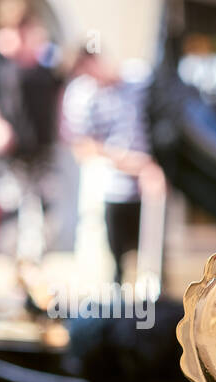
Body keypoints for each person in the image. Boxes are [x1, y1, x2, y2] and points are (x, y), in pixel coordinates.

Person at [0, 0, 64, 264]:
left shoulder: (46, 55)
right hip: (6, 155)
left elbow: (61, 90)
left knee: (46, 217)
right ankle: (13, 276)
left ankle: (38, 277)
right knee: (9, 216)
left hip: (43, 150)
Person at [64, 52, 163, 285]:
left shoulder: (139, 79)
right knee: (113, 259)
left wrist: (154, 167)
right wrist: (130, 162)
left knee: (151, 258)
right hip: (112, 187)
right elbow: (82, 146)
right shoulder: (84, 96)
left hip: (148, 187)